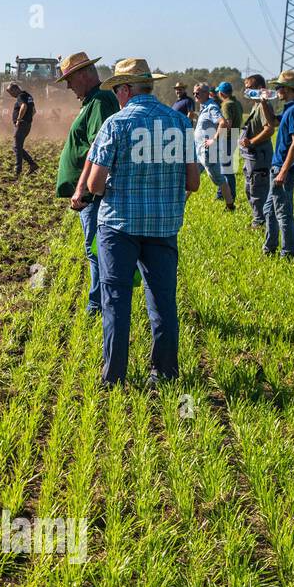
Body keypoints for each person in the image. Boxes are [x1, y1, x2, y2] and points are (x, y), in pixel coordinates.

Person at [84, 58, 198, 388]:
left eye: (117, 90)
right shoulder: (179, 123)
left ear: (125, 89)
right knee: (163, 301)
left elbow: (94, 184)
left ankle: (113, 377)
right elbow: (193, 183)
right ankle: (163, 374)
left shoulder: (116, 125)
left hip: (118, 226)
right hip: (163, 227)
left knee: (116, 300)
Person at [54, 52, 120, 317]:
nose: (68, 87)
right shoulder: (93, 100)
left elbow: (98, 146)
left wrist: (83, 186)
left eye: (69, 80)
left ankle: (99, 305)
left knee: (95, 249)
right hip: (90, 192)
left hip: (92, 194)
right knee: (94, 248)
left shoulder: (101, 100)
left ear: (83, 74)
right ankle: (100, 302)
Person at [264, 70, 294, 259]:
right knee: (269, 210)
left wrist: (283, 170)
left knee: (282, 213)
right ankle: (269, 249)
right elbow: (272, 122)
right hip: (280, 167)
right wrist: (263, 103)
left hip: (284, 169)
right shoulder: (293, 108)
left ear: (288, 89)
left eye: (279, 87)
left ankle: (287, 254)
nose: (277, 91)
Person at [238, 73, 277, 229]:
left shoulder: (263, 106)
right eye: (246, 88)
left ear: (260, 88)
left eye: (250, 88)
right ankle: (259, 219)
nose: (246, 91)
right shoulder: (256, 105)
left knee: (257, 188)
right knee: (250, 187)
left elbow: (269, 130)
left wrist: (251, 141)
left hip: (259, 155)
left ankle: (260, 222)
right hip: (252, 155)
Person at [192, 82, 233, 210]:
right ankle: (180, 204)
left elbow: (223, 123)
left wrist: (213, 140)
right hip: (199, 151)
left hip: (208, 151)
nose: (195, 95)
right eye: (193, 93)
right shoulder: (204, 107)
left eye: (197, 93)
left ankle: (230, 206)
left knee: (219, 179)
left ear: (206, 93)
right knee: (191, 177)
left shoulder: (212, 107)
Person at [212, 80, 242, 208]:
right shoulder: (237, 103)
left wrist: (217, 137)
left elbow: (227, 123)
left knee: (226, 170)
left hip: (227, 139)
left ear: (221, 93)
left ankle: (230, 196)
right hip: (235, 136)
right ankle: (222, 194)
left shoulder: (226, 105)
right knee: (226, 168)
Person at [5, 81, 37, 176]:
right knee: (18, 147)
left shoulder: (21, 96)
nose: (11, 95)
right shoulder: (28, 95)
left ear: (15, 89)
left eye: (11, 92)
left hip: (22, 125)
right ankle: (32, 165)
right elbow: (34, 111)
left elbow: (24, 106)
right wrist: (28, 119)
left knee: (16, 147)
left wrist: (19, 119)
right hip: (27, 125)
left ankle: (18, 170)